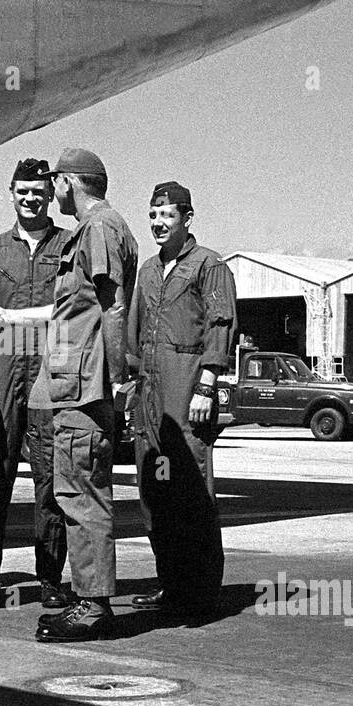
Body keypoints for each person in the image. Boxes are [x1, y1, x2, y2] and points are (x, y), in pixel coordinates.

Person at [0, 147, 137, 641]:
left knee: (81, 496)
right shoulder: (101, 229)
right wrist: (6, 317)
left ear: (70, 184)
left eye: (54, 183)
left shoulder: (97, 229)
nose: (51, 192)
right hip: (75, 383)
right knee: (76, 492)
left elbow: (113, 310)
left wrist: (116, 380)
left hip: (86, 387)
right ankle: (88, 595)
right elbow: (69, 311)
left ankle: (93, 606)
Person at [128, 182, 236, 613]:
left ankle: (202, 591)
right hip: (150, 398)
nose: (158, 224)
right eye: (153, 216)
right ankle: (171, 583)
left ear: (186, 219)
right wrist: (128, 383)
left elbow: (220, 324)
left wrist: (207, 384)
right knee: (154, 490)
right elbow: (134, 333)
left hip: (187, 391)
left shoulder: (209, 266)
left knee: (192, 492)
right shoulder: (149, 272)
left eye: (167, 216)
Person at [0, 158, 70, 608]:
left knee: (51, 481)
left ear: (50, 194)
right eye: (22, 191)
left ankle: (50, 578)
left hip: (52, 371)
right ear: (10, 194)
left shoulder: (70, 246)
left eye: (38, 191)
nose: (30, 198)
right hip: (4, 371)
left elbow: (77, 313)